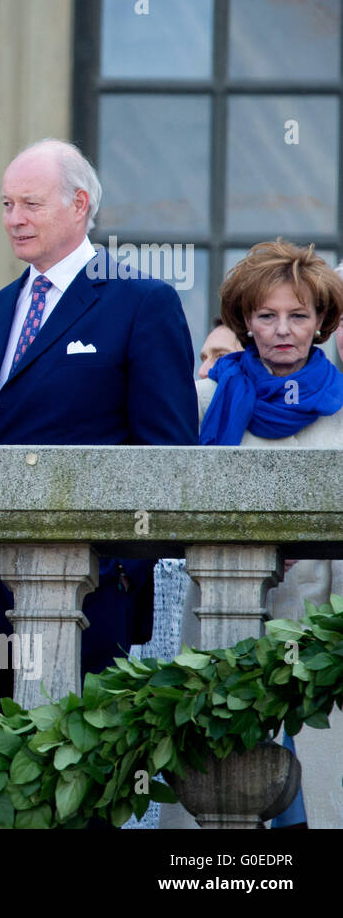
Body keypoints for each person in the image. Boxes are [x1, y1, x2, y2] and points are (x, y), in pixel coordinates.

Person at [0, 138, 198, 709]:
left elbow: (170, 454)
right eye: (7, 204)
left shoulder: (141, 300)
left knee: (80, 777)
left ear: (79, 204)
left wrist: (121, 573)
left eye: (30, 204)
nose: (14, 219)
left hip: (91, 585)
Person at [193, 239, 343, 829]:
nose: (283, 330)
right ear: (243, 322)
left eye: (299, 315)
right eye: (267, 315)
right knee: (219, 802)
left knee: (329, 797)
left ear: (323, 322)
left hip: (322, 631)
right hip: (224, 618)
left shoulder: (342, 409)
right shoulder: (207, 398)